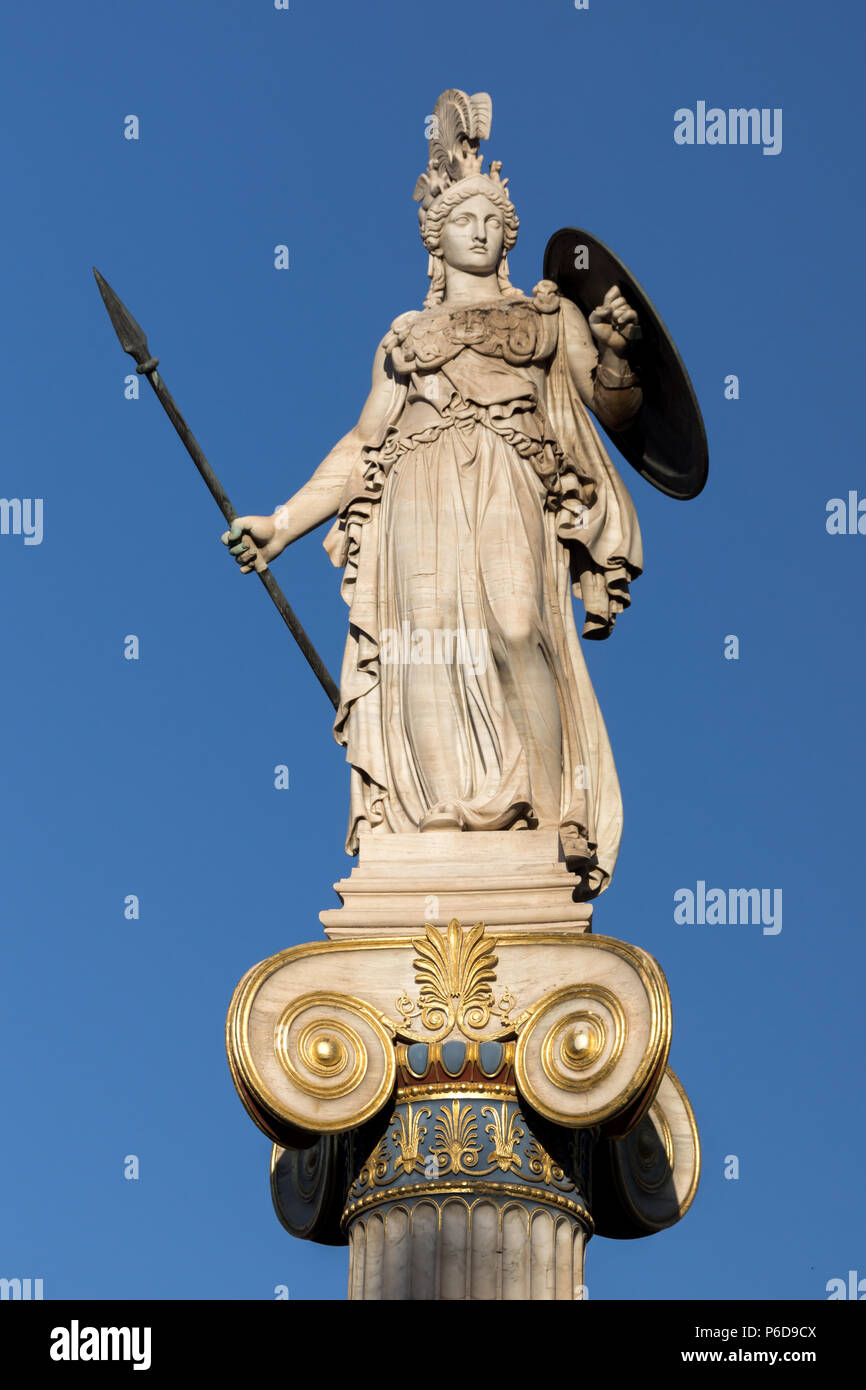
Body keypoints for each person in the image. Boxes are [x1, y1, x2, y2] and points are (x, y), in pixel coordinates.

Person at [222, 91, 643, 897]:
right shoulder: (405, 337)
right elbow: (361, 444)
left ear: (509, 235)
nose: (480, 230)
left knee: (520, 631)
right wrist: (282, 523)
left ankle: (551, 816)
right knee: (423, 648)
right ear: (435, 236)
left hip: (509, 474)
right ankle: (440, 811)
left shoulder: (546, 317)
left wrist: (620, 352)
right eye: (463, 219)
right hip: (414, 483)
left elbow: (613, 406)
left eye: (492, 219)